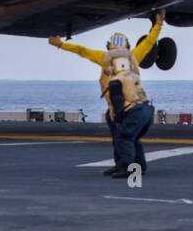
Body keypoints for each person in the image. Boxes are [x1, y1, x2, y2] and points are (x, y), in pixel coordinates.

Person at [49, 11, 163, 177]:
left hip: (126, 109)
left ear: (109, 46)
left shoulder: (103, 57)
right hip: (143, 108)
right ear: (127, 46)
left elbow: (81, 50)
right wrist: (158, 25)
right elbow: (149, 42)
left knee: (123, 137)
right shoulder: (134, 56)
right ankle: (136, 167)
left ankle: (127, 168)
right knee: (129, 137)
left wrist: (60, 44)